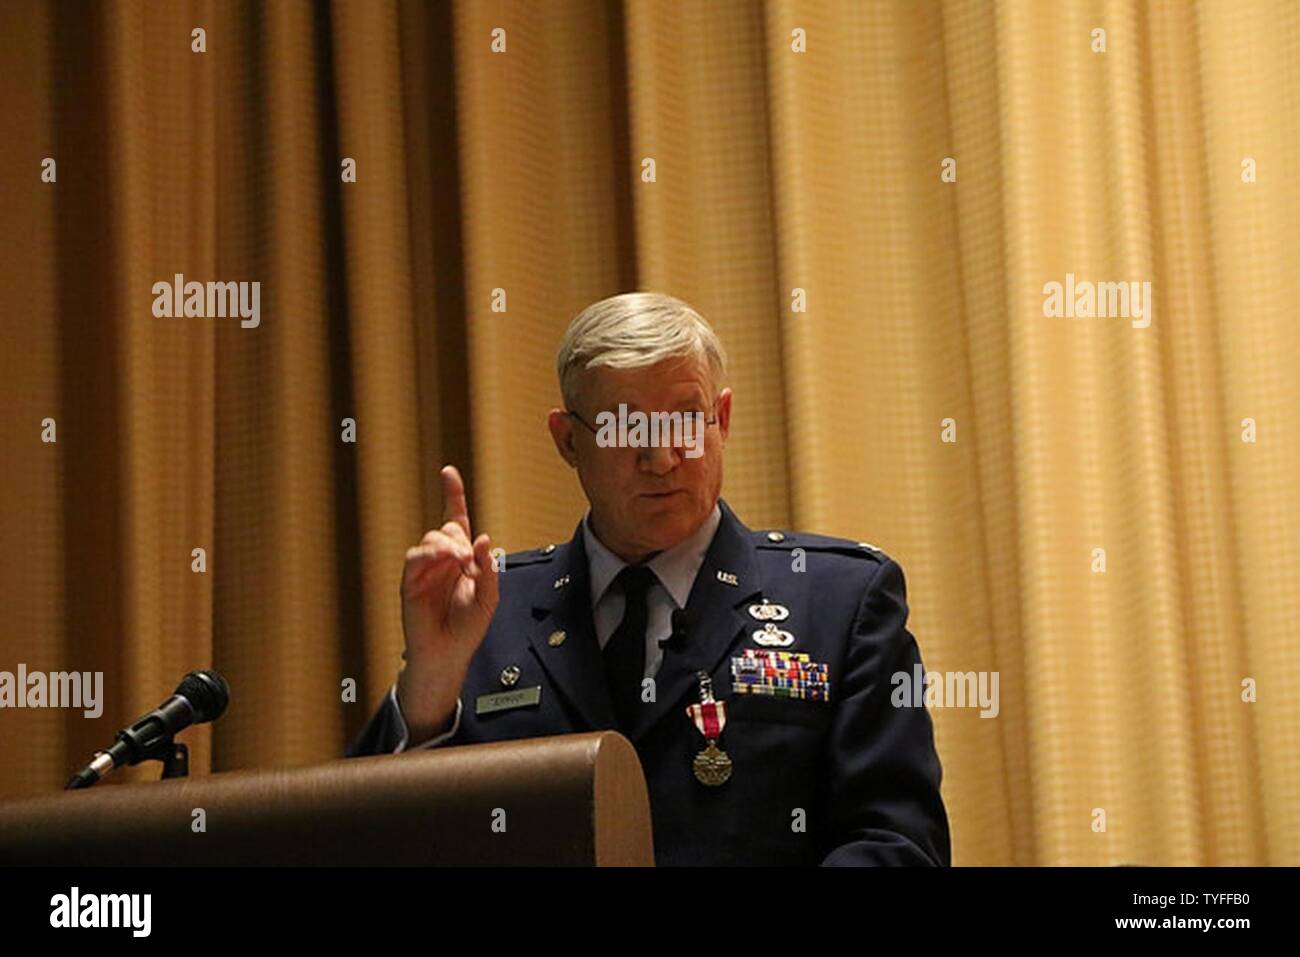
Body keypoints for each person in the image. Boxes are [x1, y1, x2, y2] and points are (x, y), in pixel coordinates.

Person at [346, 291, 951, 866]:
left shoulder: (840, 603)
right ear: (567, 442)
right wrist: (428, 689)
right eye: (623, 428)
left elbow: (898, 843)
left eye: (685, 420)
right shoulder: (485, 610)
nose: (660, 458)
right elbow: (361, 842)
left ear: (723, 418)